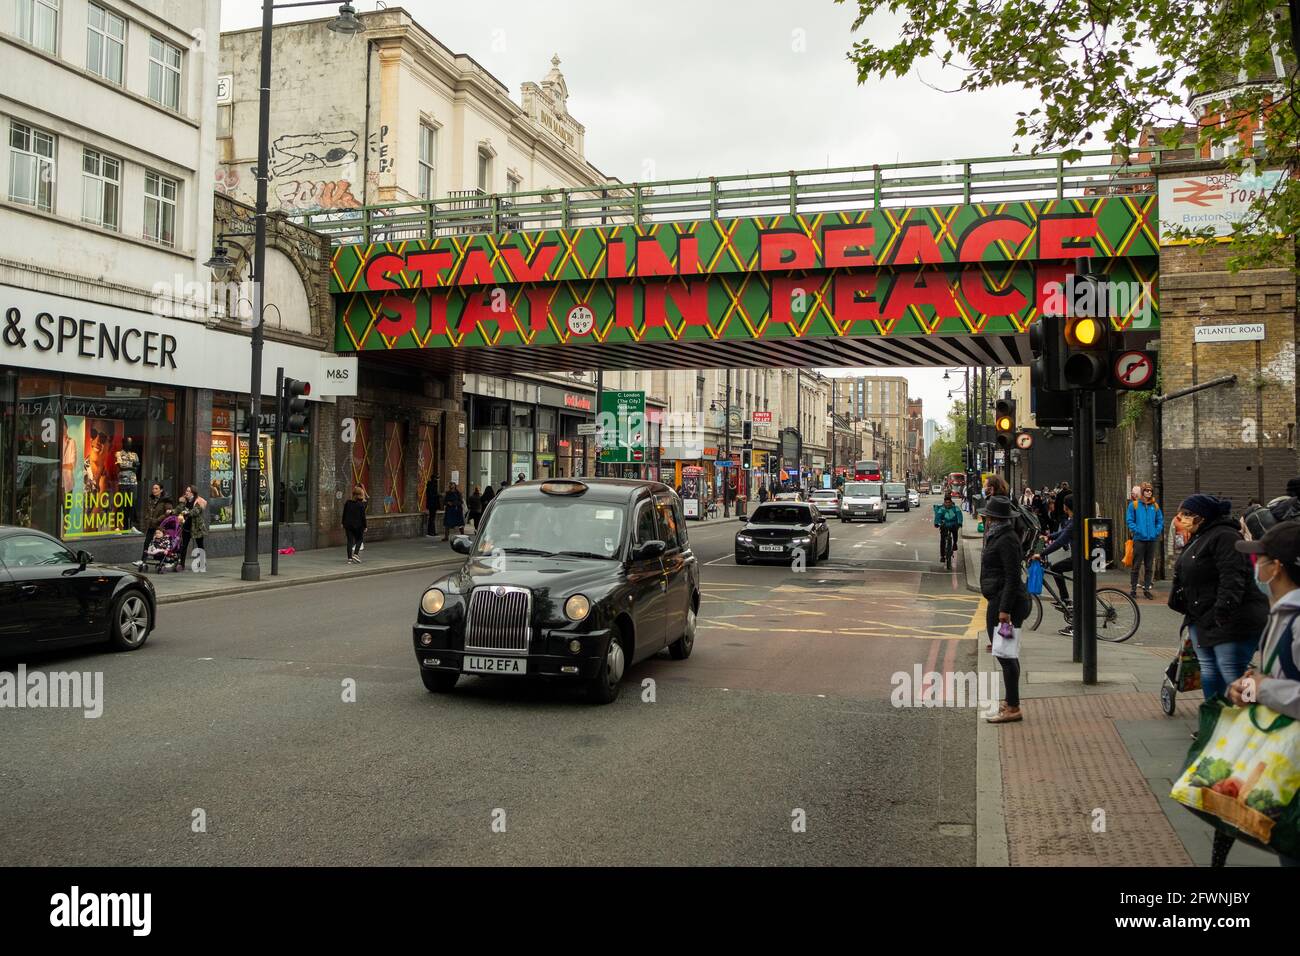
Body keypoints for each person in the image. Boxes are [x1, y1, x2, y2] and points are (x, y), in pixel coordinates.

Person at [1231, 520, 1300, 868]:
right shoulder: (1281, 613)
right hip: (1282, 759)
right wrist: (1247, 686)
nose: (1255, 565)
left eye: (1261, 558)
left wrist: (1263, 689)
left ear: (1278, 567)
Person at [1168, 494, 1267, 700]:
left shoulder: (1225, 536)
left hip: (1228, 619)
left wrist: (1222, 613)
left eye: (1187, 514)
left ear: (1202, 516)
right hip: (1202, 616)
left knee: (1232, 671)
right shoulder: (1200, 536)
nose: (1182, 518)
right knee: (1210, 669)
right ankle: (1214, 721)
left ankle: (1247, 722)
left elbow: (1232, 577)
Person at [979, 496, 1031, 724]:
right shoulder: (999, 536)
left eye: (987, 516)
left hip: (1005, 603)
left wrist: (1004, 611)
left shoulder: (1006, 539)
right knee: (1007, 654)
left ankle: (1013, 707)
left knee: (1005, 655)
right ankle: (1011, 701)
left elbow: (1012, 577)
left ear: (993, 518)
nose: (985, 519)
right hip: (1000, 599)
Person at [1040, 493, 1075, 632]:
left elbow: (1061, 541)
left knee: (1055, 568)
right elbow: (1062, 534)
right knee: (1056, 568)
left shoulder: (1074, 521)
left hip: (1080, 559)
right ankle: (1066, 599)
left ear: (1066, 507)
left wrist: (1041, 553)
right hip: (1082, 557)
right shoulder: (1073, 520)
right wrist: (1048, 536)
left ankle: (1075, 625)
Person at [1125, 481, 1164, 600]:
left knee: (1149, 566)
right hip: (1139, 540)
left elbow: (1160, 521)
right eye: (1146, 490)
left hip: (1152, 540)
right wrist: (1137, 531)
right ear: (1142, 492)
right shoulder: (1134, 505)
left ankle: (1146, 589)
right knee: (1136, 565)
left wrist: (1156, 532)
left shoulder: (1155, 506)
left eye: (1150, 490)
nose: (1149, 492)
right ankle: (1133, 589)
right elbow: (1129, 520)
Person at [136, 483, 170, 569]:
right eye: (153, 489)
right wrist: (147, 518)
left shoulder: (166, 500)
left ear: (161, 490)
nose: (154, 490)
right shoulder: (151, 499)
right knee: (147, 542)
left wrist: (158, 519)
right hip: (151, 525)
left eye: (156, 489)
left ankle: (164, 560)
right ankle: (143, 560)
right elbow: (148, 510)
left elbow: (168, 513)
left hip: (160, 526)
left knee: (160, 543)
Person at [934, 493, 963, 568]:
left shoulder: (955, 508)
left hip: (953, 524)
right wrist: (937, 523)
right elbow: (938, 517)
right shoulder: (941, 509)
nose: (947, 504)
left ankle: (955, 544)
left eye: (949, 502)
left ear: (951, 502)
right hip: (945, 525)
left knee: (955, 533)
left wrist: (959, 523)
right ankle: (942, 556)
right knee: (942, 540)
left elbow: (959, 515)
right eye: (946, 502)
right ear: (944, 502)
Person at [342, 485, 368, 564]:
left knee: (350, 541)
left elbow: (344, 514)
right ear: (360, 494)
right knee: (359, 539)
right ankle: (356, 554)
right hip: (358, 525)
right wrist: (365, 526)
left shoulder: (348, 502)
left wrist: (343, 523)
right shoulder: (361, 504)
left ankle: (349, 559)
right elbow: (363, 517)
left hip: (348, 525)